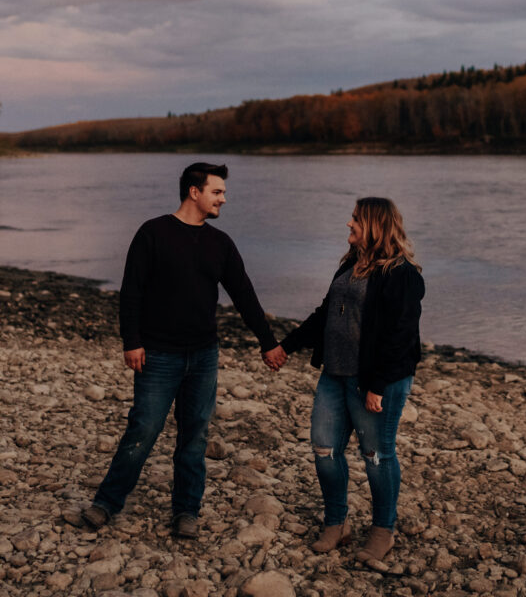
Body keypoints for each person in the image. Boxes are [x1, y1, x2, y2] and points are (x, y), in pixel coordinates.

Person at [77, 162, 282, 538]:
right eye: (217, 192)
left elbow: (244, 294)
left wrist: (268, 342)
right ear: (194, 192)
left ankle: (186, 510)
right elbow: (132, 291)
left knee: (195, 435)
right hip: (158, 355)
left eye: (223, 192)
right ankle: (105, 503)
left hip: (204, 356)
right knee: (143, 429)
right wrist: (131, 341)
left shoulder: (220, 243)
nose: (224, 199)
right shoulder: (153, 233)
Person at [263, 196, 424, 564]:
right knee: (324, 450)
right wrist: (286, 346)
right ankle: (337, 523)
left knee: (377, 455)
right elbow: (325, 314)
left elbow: (400, 337)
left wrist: (378, 387)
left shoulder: (402, 275)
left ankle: (383, 531)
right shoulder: (351, 265)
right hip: (334, 375)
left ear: (375, 225)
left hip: (375, 381)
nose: (349, 224)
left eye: (355, 219)